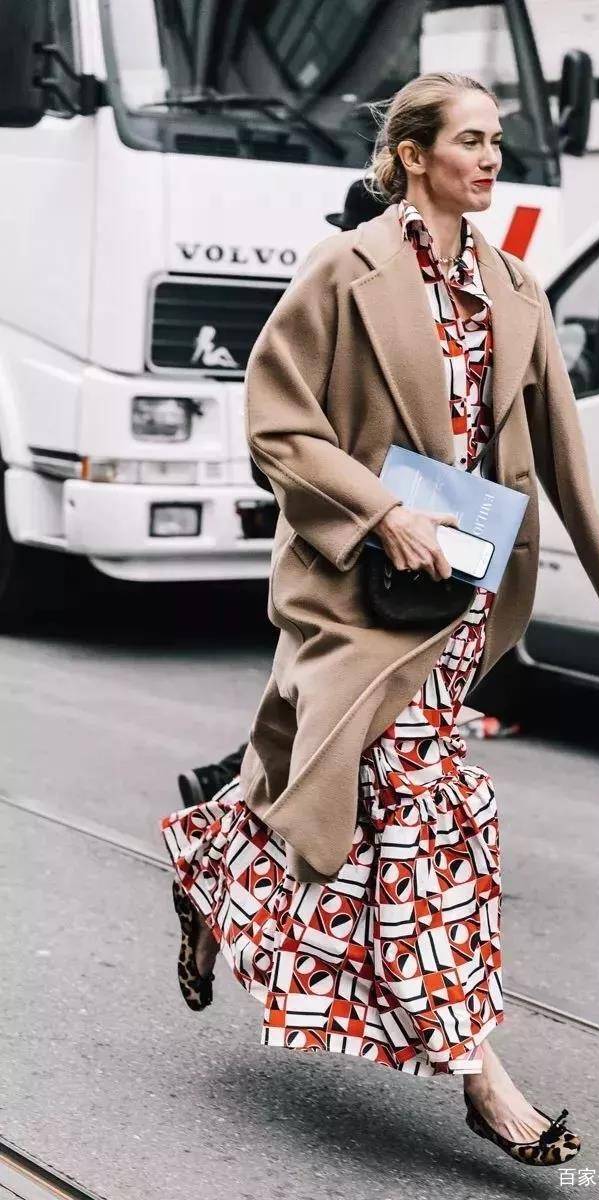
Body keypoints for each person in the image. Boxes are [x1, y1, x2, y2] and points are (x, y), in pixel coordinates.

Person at [160, 72, 599, 1170]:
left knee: (380, 805)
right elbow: (278, 422)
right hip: (363, 590)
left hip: (462, 592)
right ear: (411, 156)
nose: (490, 158)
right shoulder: (348, 269)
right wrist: (382, 513)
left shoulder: (513, 284)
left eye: (496, 141)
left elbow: (557, 438)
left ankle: (209, 865)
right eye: (471, 140)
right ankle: (483, 1078)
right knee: (429, 820)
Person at [175, 179, 391, 810]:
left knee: (323, 691)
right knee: (331, 695)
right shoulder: (339, 297)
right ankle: (236, 797)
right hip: (351, 537)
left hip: (344, 532)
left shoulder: (342, 296)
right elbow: (271, 435)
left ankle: (235, 792)